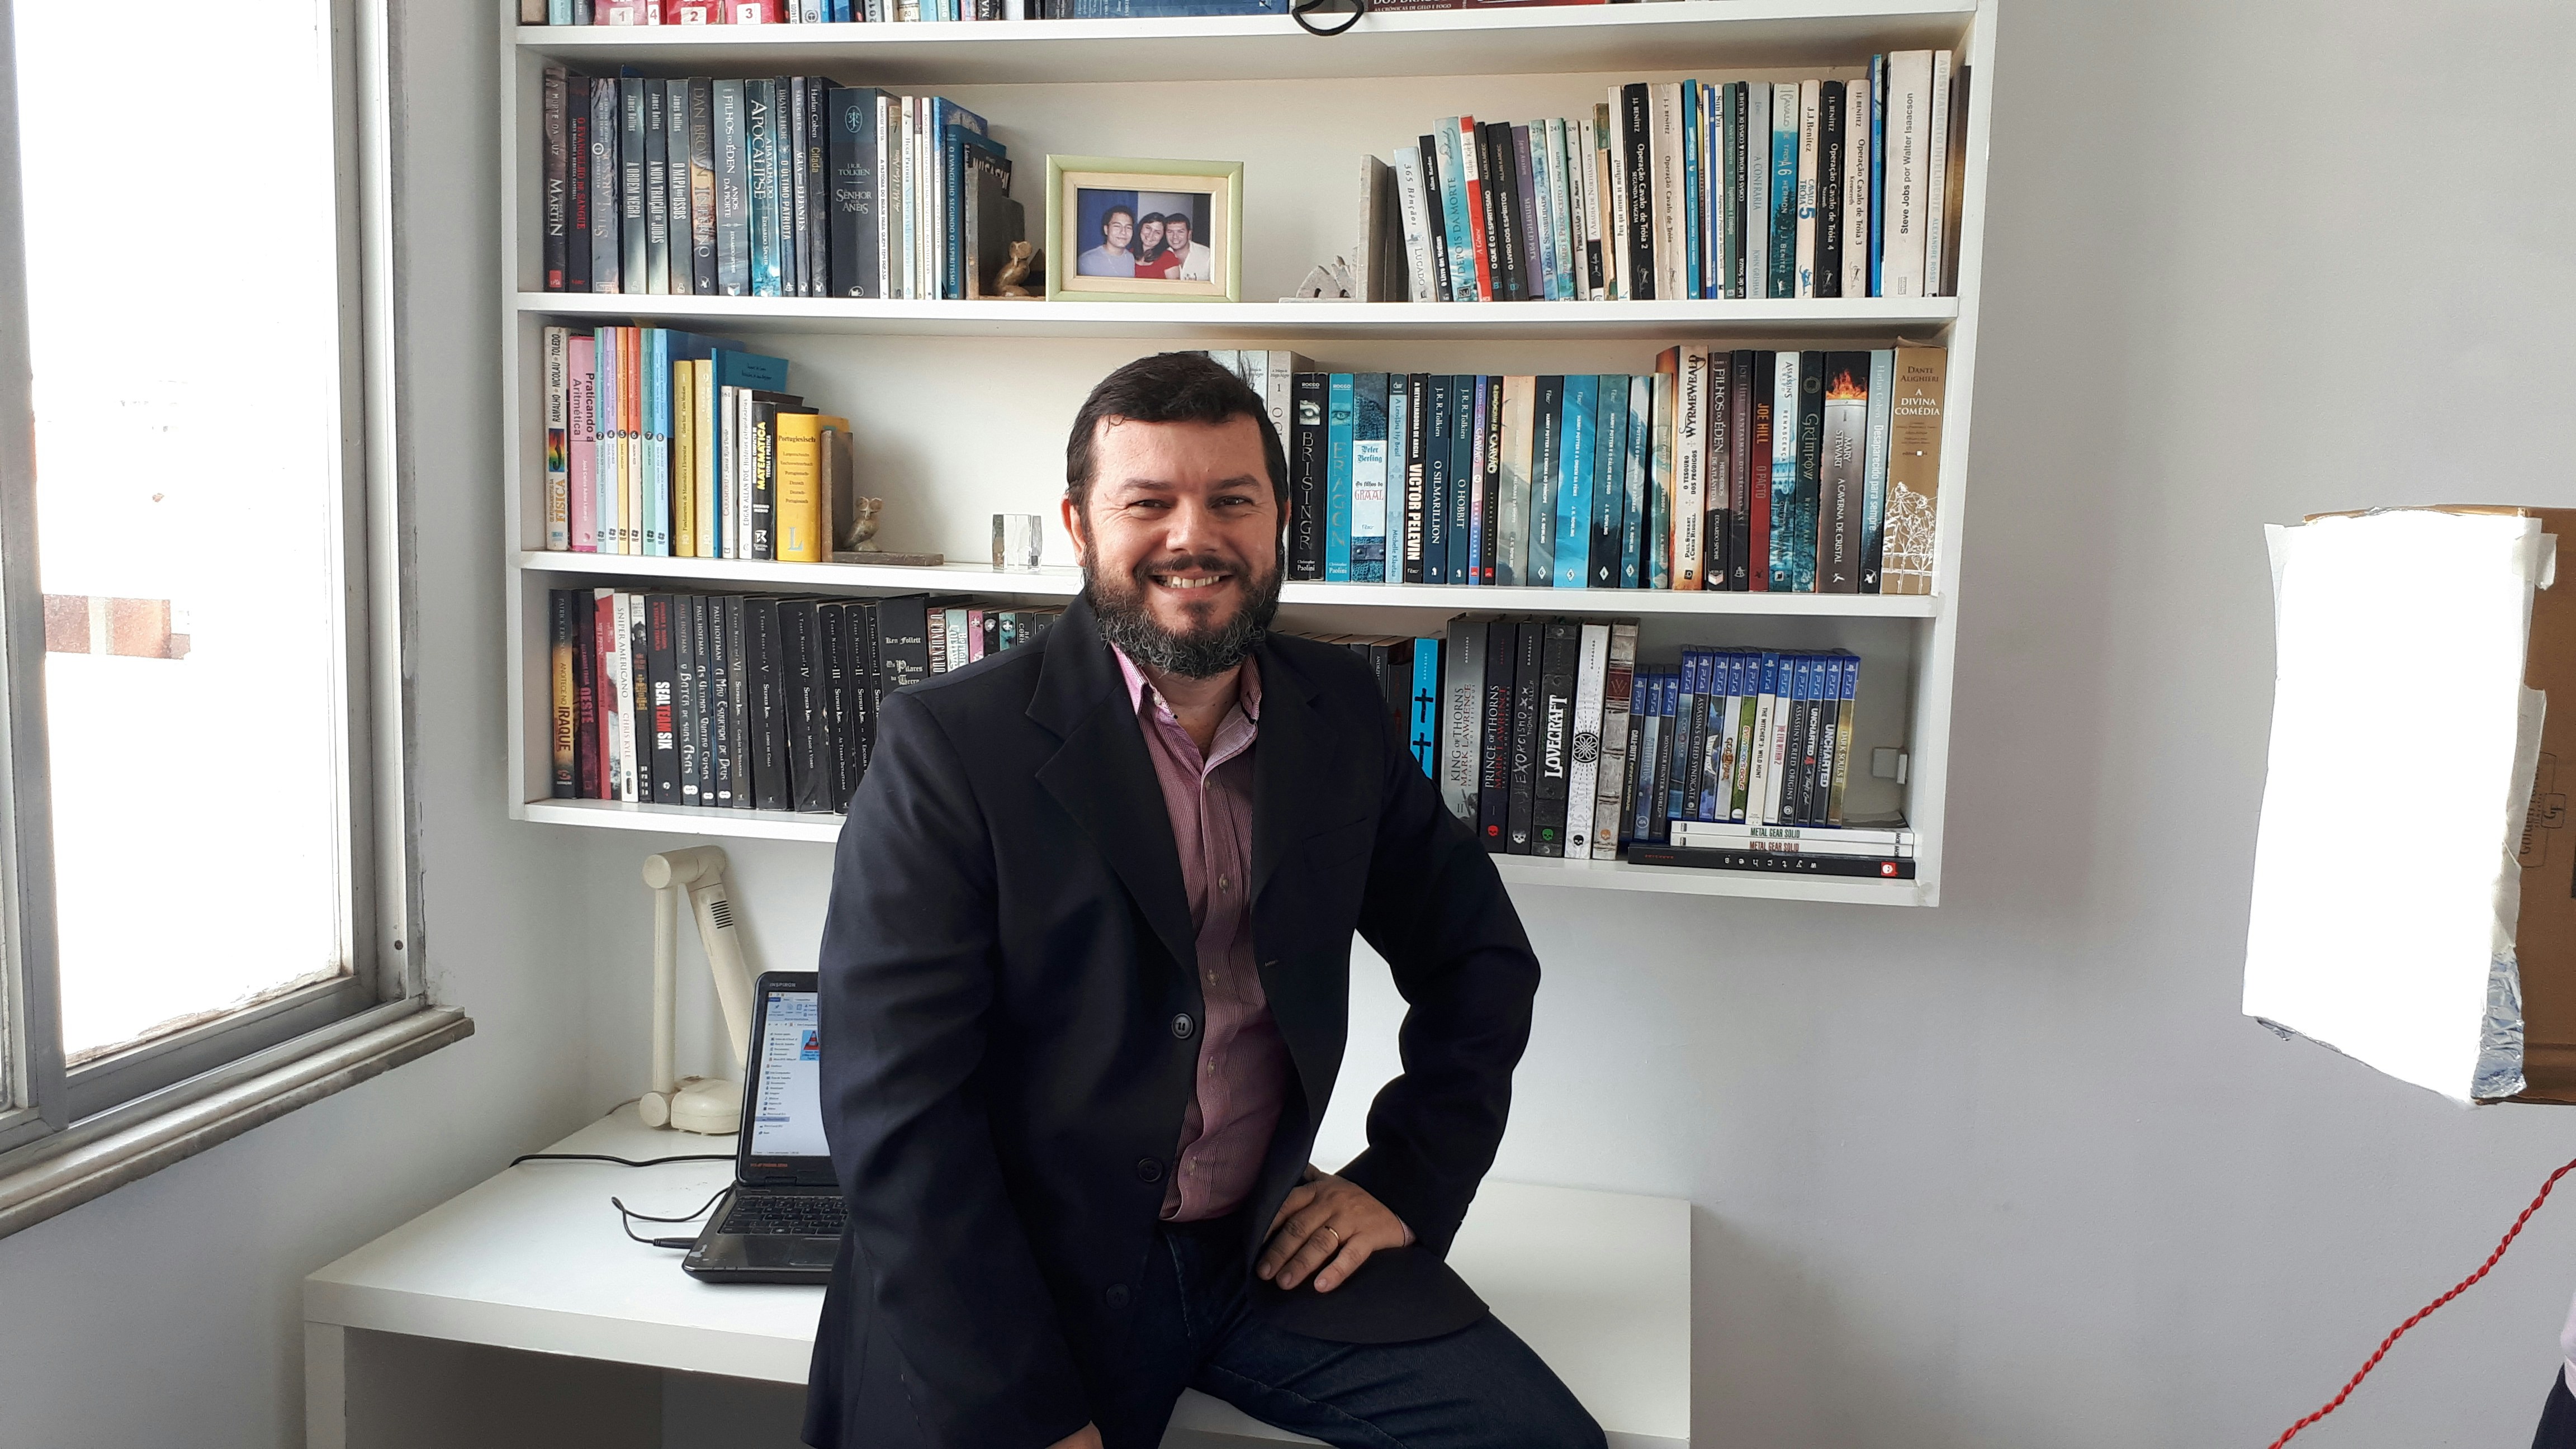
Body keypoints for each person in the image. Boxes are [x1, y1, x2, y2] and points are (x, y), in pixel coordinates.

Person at [804, 351, 1602, 1449]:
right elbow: (895, 1114)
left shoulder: (1341, 715)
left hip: (1256, 1255)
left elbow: (1480, 958)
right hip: (1016, 1281)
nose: (1196, 536)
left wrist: (1410, 1180)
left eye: (1233, 500)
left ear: (1280, 522)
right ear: (1080, 527)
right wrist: (1027, 1413)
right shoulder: (950, 747)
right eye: (1149, 503)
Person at [1076, 203, 1136, 278]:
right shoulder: (1087, 261)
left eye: (1128, 228)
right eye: (1117, 226)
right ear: (1106, 230)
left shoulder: (1131, 258)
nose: (1123, 232)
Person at [1163, 210, 1214, 282]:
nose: (1175, 237)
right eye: (1170, 232)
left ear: (1189, 234)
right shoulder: (1160, 257)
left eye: (1181, 232)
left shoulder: (1208, 255)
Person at [1132, 213, 1178, 280]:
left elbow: (1175, 288)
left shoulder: (1168, 258)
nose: (1151, 235)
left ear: (1163, 236)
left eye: (1157, 232)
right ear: (1141, 228)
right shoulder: (1129, 254)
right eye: (1148, 228)